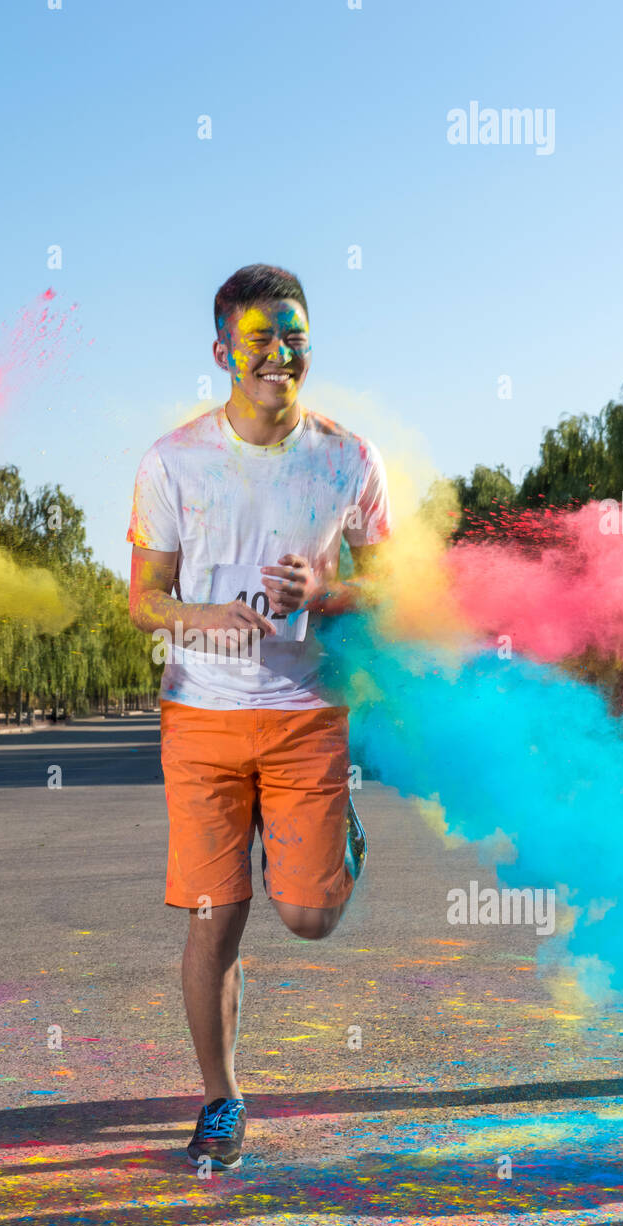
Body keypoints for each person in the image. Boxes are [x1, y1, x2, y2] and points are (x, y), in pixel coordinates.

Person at [127, 263, 390, 1169]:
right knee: (214, 913)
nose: (280, 354)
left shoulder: (349, 458)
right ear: (221, 352)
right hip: (199, 715)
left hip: (306, 712)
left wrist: (328, 588)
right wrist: (197, 615)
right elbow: (144, 598)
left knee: (309, 917)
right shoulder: (172, 459)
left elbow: (390, 586)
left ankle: (330, 839)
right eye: (260, 340)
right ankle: (220, 1100)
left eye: (294, 336)